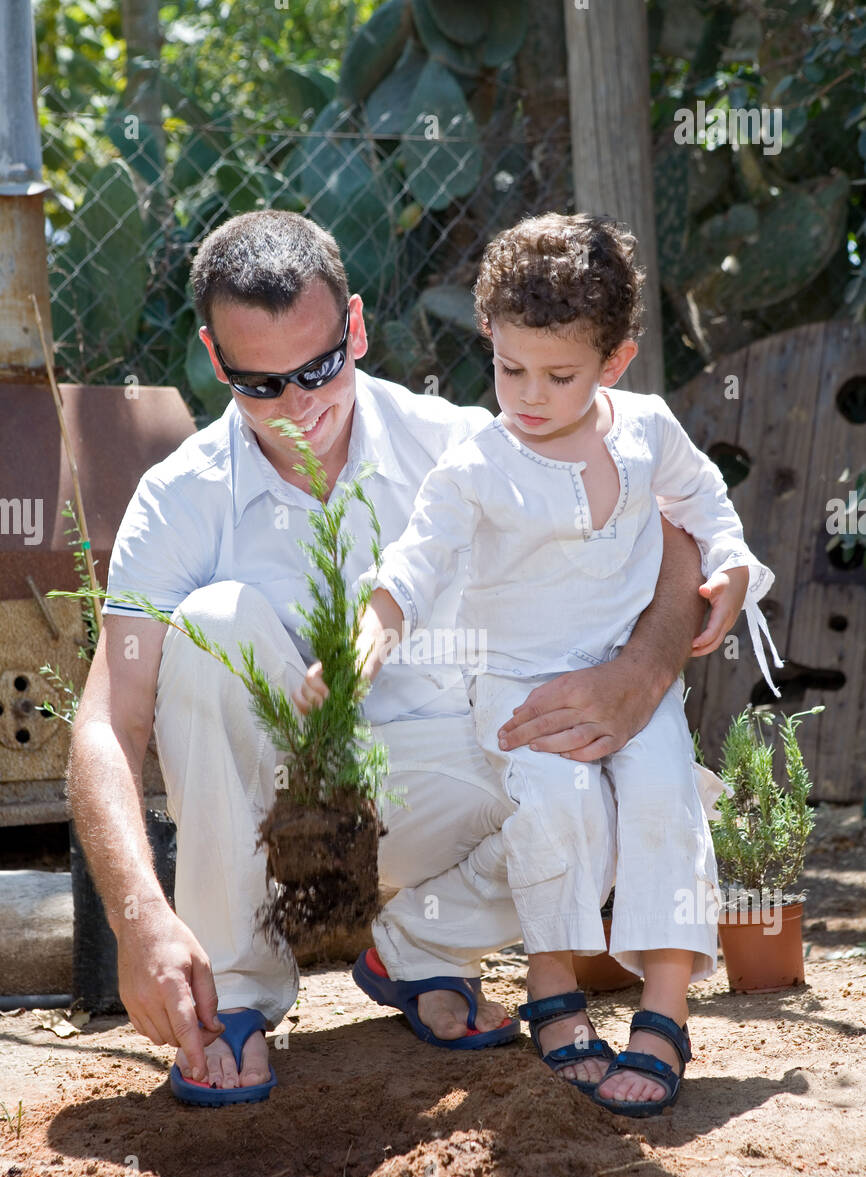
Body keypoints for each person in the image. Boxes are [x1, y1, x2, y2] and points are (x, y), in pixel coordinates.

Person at [69, 209, 715, 1104]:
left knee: (638, 780)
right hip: (265, 809)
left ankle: (422, 943)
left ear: (358, 329)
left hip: (431, 788)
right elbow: (107, 719)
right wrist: (138, 915)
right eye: (261, 383)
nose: (299, 404)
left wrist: (641, 677)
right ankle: (238, 994)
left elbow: (672, 520)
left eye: (320, 367)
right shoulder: (178, 500)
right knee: (216, 619)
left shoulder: (461, 444)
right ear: (216, 363)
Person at [298, 212, 782, 1117]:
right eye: (508, 367)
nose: (528, 393)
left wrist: (729, 565)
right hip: (520, 686)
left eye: (559, 375)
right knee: (556, 810)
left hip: (633, 683)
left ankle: (664, 1012)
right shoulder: (479, 460)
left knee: (662, 798)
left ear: (616, 361)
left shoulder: (647, 430)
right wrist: (363, 640)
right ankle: (552, 987)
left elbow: (705, 500)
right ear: (488, 339)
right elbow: (414, 562)